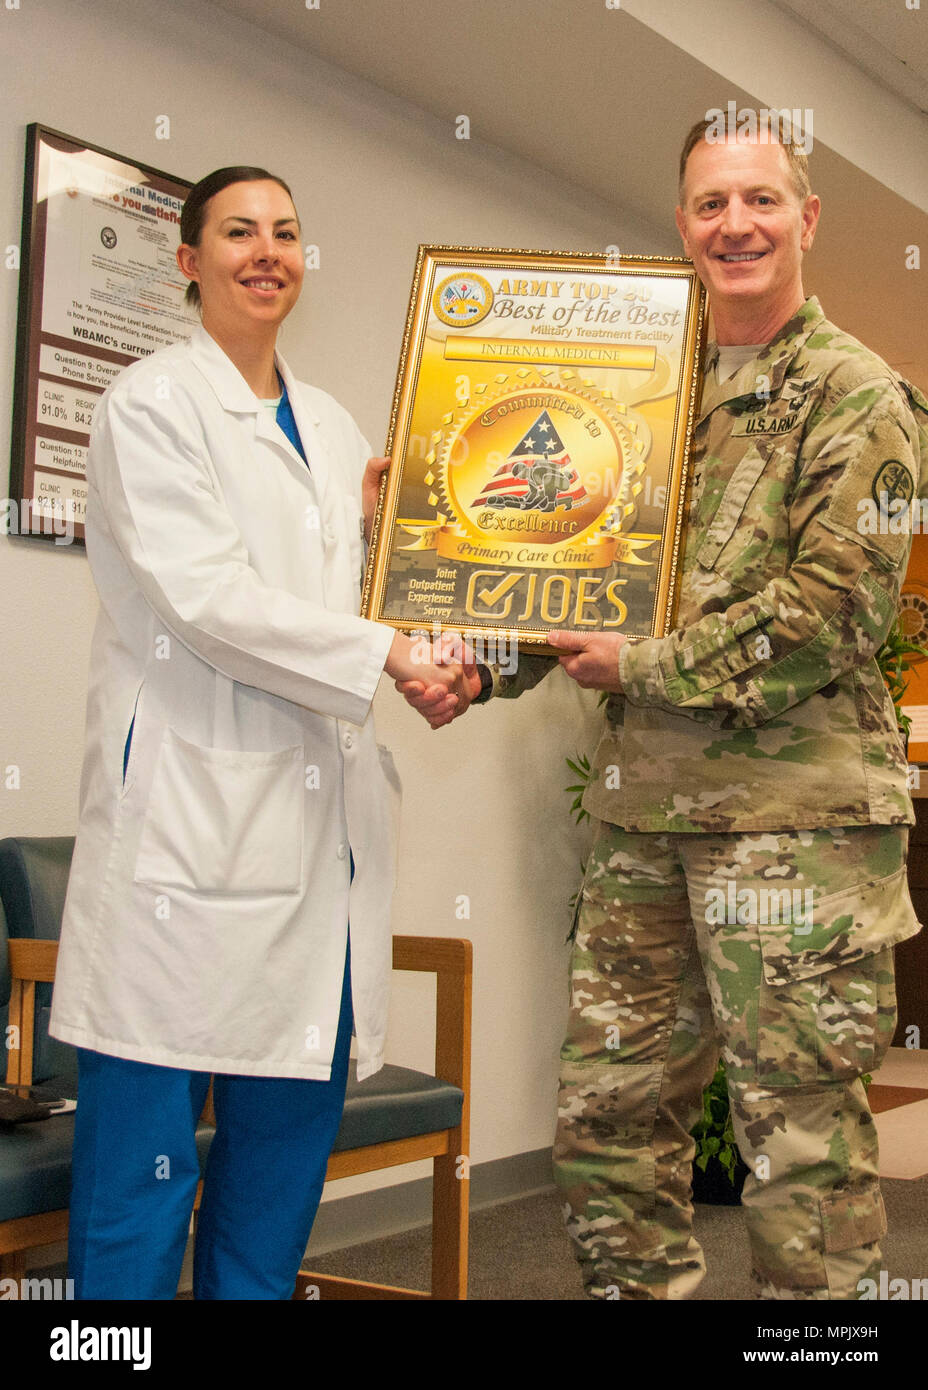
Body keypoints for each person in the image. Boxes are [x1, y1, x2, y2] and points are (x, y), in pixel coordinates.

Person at [400, 118, 928, 1299]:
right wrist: (484, 658)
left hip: (796, 832)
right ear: (681, 223)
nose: (733, 225)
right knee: (607, 1126)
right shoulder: (646, 396)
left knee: (800, 1148)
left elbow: (833, 614)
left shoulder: (861, 397)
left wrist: (639, 667)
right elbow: (574, 574)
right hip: (646, 826)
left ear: (806, 216)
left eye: (758, 200)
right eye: (707, 204)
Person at [49, 166, 467, 1300]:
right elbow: (209, 600)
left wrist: (437, 650)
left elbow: (363, 597)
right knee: (143, 1181)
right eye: (238, 232)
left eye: (286, 231)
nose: (266, 251)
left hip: (315, 856)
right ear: (190, 262)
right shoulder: (149, 404)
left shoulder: (332, 429)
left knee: (278, 1178)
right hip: (185, 852)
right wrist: (384, 651)